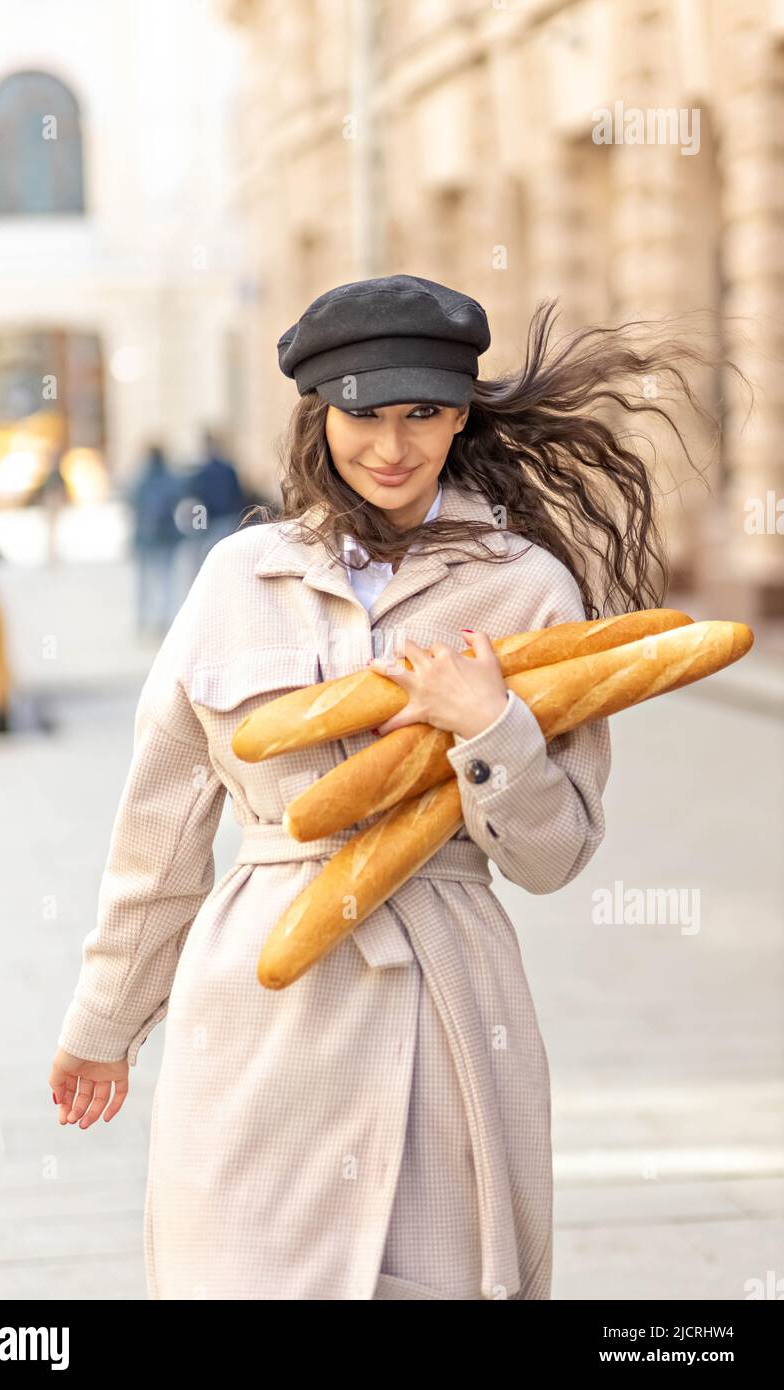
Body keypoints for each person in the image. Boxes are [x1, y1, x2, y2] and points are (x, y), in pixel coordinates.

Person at [49, 274, 735, 1300]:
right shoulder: (239, 579)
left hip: (447, 1002)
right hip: (258, 1007)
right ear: (318, 414)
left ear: (461, 415)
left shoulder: (526, 586)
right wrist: (104, 1026)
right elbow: (160, 825)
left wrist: (490, 726)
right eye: (364, 414)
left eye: (425, 413)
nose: (393, 446)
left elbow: (551, 856)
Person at [177, 428, 247, 587]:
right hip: (227, 516)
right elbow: (238, 493)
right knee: (225, 552)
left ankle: (210, 585)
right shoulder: (228, 469)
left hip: (209, 519)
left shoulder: (201, 471)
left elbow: (195, 498)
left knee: (206, 555)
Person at [128, 443, 182, 636]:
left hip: (145, 538)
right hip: (167, 537)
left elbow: (131, 505)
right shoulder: (170, 479)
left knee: (143, 582)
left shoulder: (140, 480)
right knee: (167, 579)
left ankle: (143, 620)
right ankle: (164, 619)